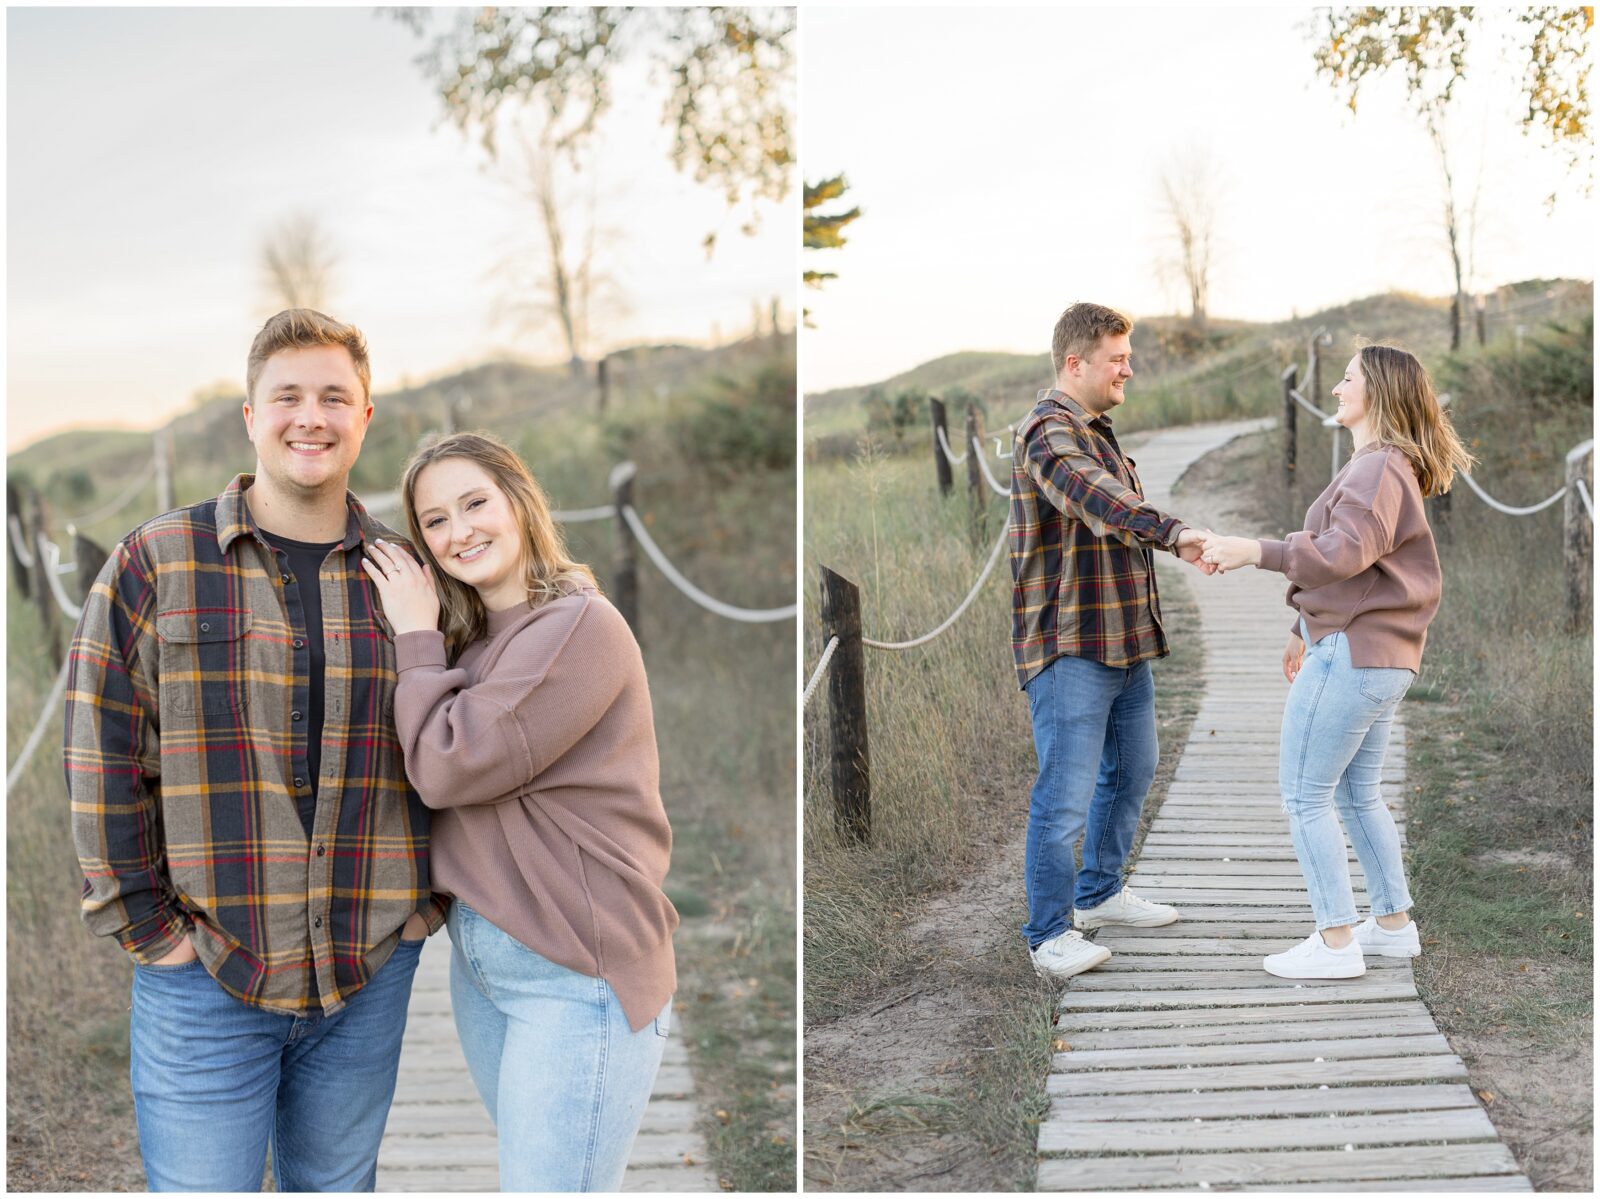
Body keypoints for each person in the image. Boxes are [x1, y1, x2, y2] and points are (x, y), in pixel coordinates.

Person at [64, 309, 446, 1191]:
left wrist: (424, 906)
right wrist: (150, 930)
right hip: (205, 970)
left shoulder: (402, 571)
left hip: (365, 967)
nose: (309, 416)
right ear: (250, 415)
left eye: (332, 397)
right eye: (287, 396)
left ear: (364, 419)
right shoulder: (158, 562)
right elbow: (103, 755)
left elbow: (447, 737)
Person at [360, 431, 677, 1192]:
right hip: (487, 972)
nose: (458, 530)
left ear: (519, 502)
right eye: (434, 520)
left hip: (576, 974)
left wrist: (412, 634)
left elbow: (446, 764)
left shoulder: (577, 627)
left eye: (475, 503)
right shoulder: (474, 642)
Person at [1200, 343, 1473, 979]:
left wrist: (1253, 550)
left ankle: (1335, 942)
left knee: (1305, 794)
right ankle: (1392, 925)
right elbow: (1363, 564)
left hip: (1356, 655)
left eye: (1346, 379)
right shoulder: (1383, 466)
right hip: (1376, 655)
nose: (1335, 389)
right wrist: (1303, 624)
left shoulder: (1378, 469)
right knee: (1356, 792)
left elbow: (1340, 553)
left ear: (1375, 390)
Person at [1010, 302, 1217, 982]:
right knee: (1063, 795)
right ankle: (1048, 935)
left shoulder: (1101, 431)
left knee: (1134, 771)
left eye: (1128, 355)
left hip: (1124, 644)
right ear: (1076, 363)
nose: (1130, 367)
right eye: (1117, 357)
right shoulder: (1049, 431)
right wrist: (1174, 529)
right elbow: (1091, 496)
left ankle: (1098, 894)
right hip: (1071, 646)